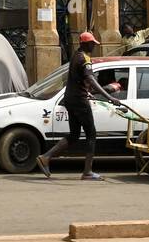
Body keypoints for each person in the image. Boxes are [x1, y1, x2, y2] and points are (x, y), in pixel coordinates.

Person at [36, 32, 115, 181]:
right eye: (92, 43)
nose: (94, 46)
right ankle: (88, 172)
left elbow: (80, 80)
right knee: (91, 135)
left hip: (70, 99)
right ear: (85, 44)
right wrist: (109, 96)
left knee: (74, 135)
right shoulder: (84, 58)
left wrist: (88, 93)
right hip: (79, 101)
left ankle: (46, 157)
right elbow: (91, 79)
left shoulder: (75, 55)